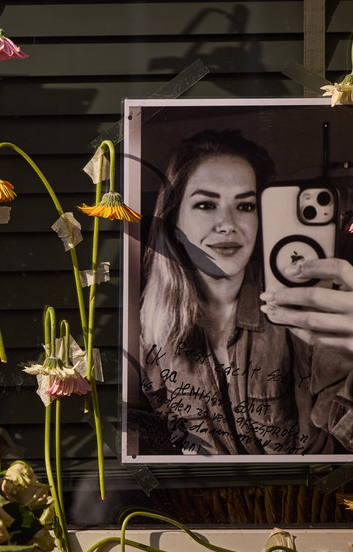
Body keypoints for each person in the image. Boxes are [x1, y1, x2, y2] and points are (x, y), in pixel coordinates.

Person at [134, 130, 353, 456]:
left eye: (245, 205)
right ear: (173, 221)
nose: (227, 224)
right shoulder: (148, 326)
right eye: (206, 204)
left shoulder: (304, 312)